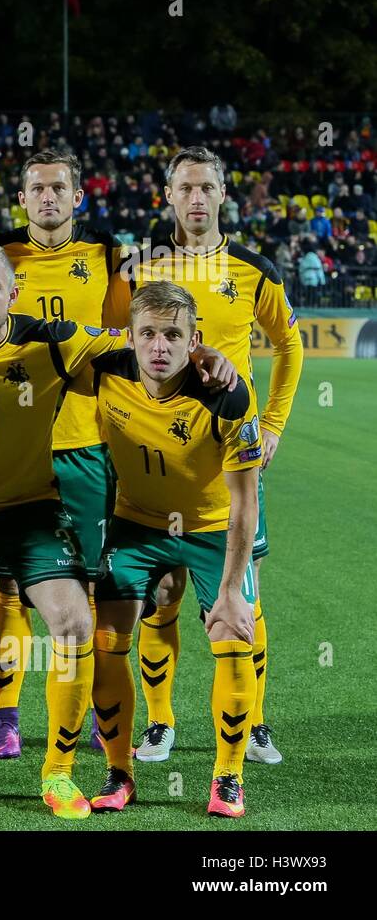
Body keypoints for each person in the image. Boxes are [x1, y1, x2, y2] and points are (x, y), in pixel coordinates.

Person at [0, 240, 236, 818]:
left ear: (15, 292)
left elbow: (140, 342)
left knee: (75, 622)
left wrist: (206, 353)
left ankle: (58, 772)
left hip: (30, 510)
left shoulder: (54, 342)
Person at [133, 146, 303, 766]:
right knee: (162, 593)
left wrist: (274, 424)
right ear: (168, 195)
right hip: (157, 452)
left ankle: (253, 723)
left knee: (243, 596)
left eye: (207, 187)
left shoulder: (254, 270)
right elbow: (119, 346)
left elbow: (291, 344)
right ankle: (159, 723)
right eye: (185, 188)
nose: (196, 198)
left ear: (223, 194)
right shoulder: (142, 268)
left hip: (232, 452)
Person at [88, 282, 261, 818]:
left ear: (194, 340)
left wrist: (231, 590)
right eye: (148, 334)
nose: (159, 346)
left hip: (213, 529)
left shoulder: (227, 396)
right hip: (135, 525)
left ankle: (227, 777)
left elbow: (245, 503)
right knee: (106, 638)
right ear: (130, 337)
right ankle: (120, 773)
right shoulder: (103, 369)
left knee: (234, 633)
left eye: (173, 335)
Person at [0, 149, 133, 759]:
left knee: (94, 586)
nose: (47, 198)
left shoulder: (108, 256)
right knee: (10, 589)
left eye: (59, 189)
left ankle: (97, 714)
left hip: (86, 444)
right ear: (21, 198)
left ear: (78, 197)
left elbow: (123, 344)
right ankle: (4, 717)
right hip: (14, 450)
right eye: (36, 189)